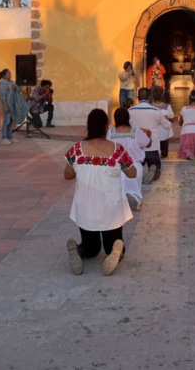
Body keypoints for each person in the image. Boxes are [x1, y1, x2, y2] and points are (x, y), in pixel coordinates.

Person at [64, 109, 137, 276]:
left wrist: (83, 170)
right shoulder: (117, 150)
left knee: (91, 248)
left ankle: (79, 251)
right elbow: (132, 174)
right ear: (106, 127)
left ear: (88, 127)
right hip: (111, 209)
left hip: (85, 208)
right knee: (112, 244)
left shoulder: (76, 150)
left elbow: (67, 175)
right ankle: (116, 250)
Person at [108, 108, 151, 211]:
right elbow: (147, 144)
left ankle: (117, 201)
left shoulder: (110, 132)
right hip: (133, 164)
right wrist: (150, 136)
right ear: (128, 118)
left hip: (116, 165)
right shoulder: (136, 132)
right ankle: (135, 199)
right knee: (134, 185)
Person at [128, 88, 172, 184]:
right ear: (149, 97)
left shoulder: (130, 111)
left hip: (136, 147)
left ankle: (140, 171)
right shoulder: (156, 111)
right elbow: (167, 126)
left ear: (138, 98)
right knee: (156, 164)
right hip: (152, 146)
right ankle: (154, 170)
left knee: (136, 164)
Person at [151, 86, 174, 159]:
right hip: (164, 132)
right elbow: (172, 118)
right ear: (162, 95)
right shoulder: (167, 106)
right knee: (164, 153)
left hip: (153, 132)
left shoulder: (150, 106)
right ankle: (162, 152)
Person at [0, 69, 19, 145]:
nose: (10, 75)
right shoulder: (4, 84)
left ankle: (10, 136)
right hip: (7, 105)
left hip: (12, 105)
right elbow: (3, 96)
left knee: (10, 122)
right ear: (4, 75)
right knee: (6, 121)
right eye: (8, 74)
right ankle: (4, 138)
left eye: (10, 73)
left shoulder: (11, 82)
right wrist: (6, 106)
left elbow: (18, 89)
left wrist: (15, 88)